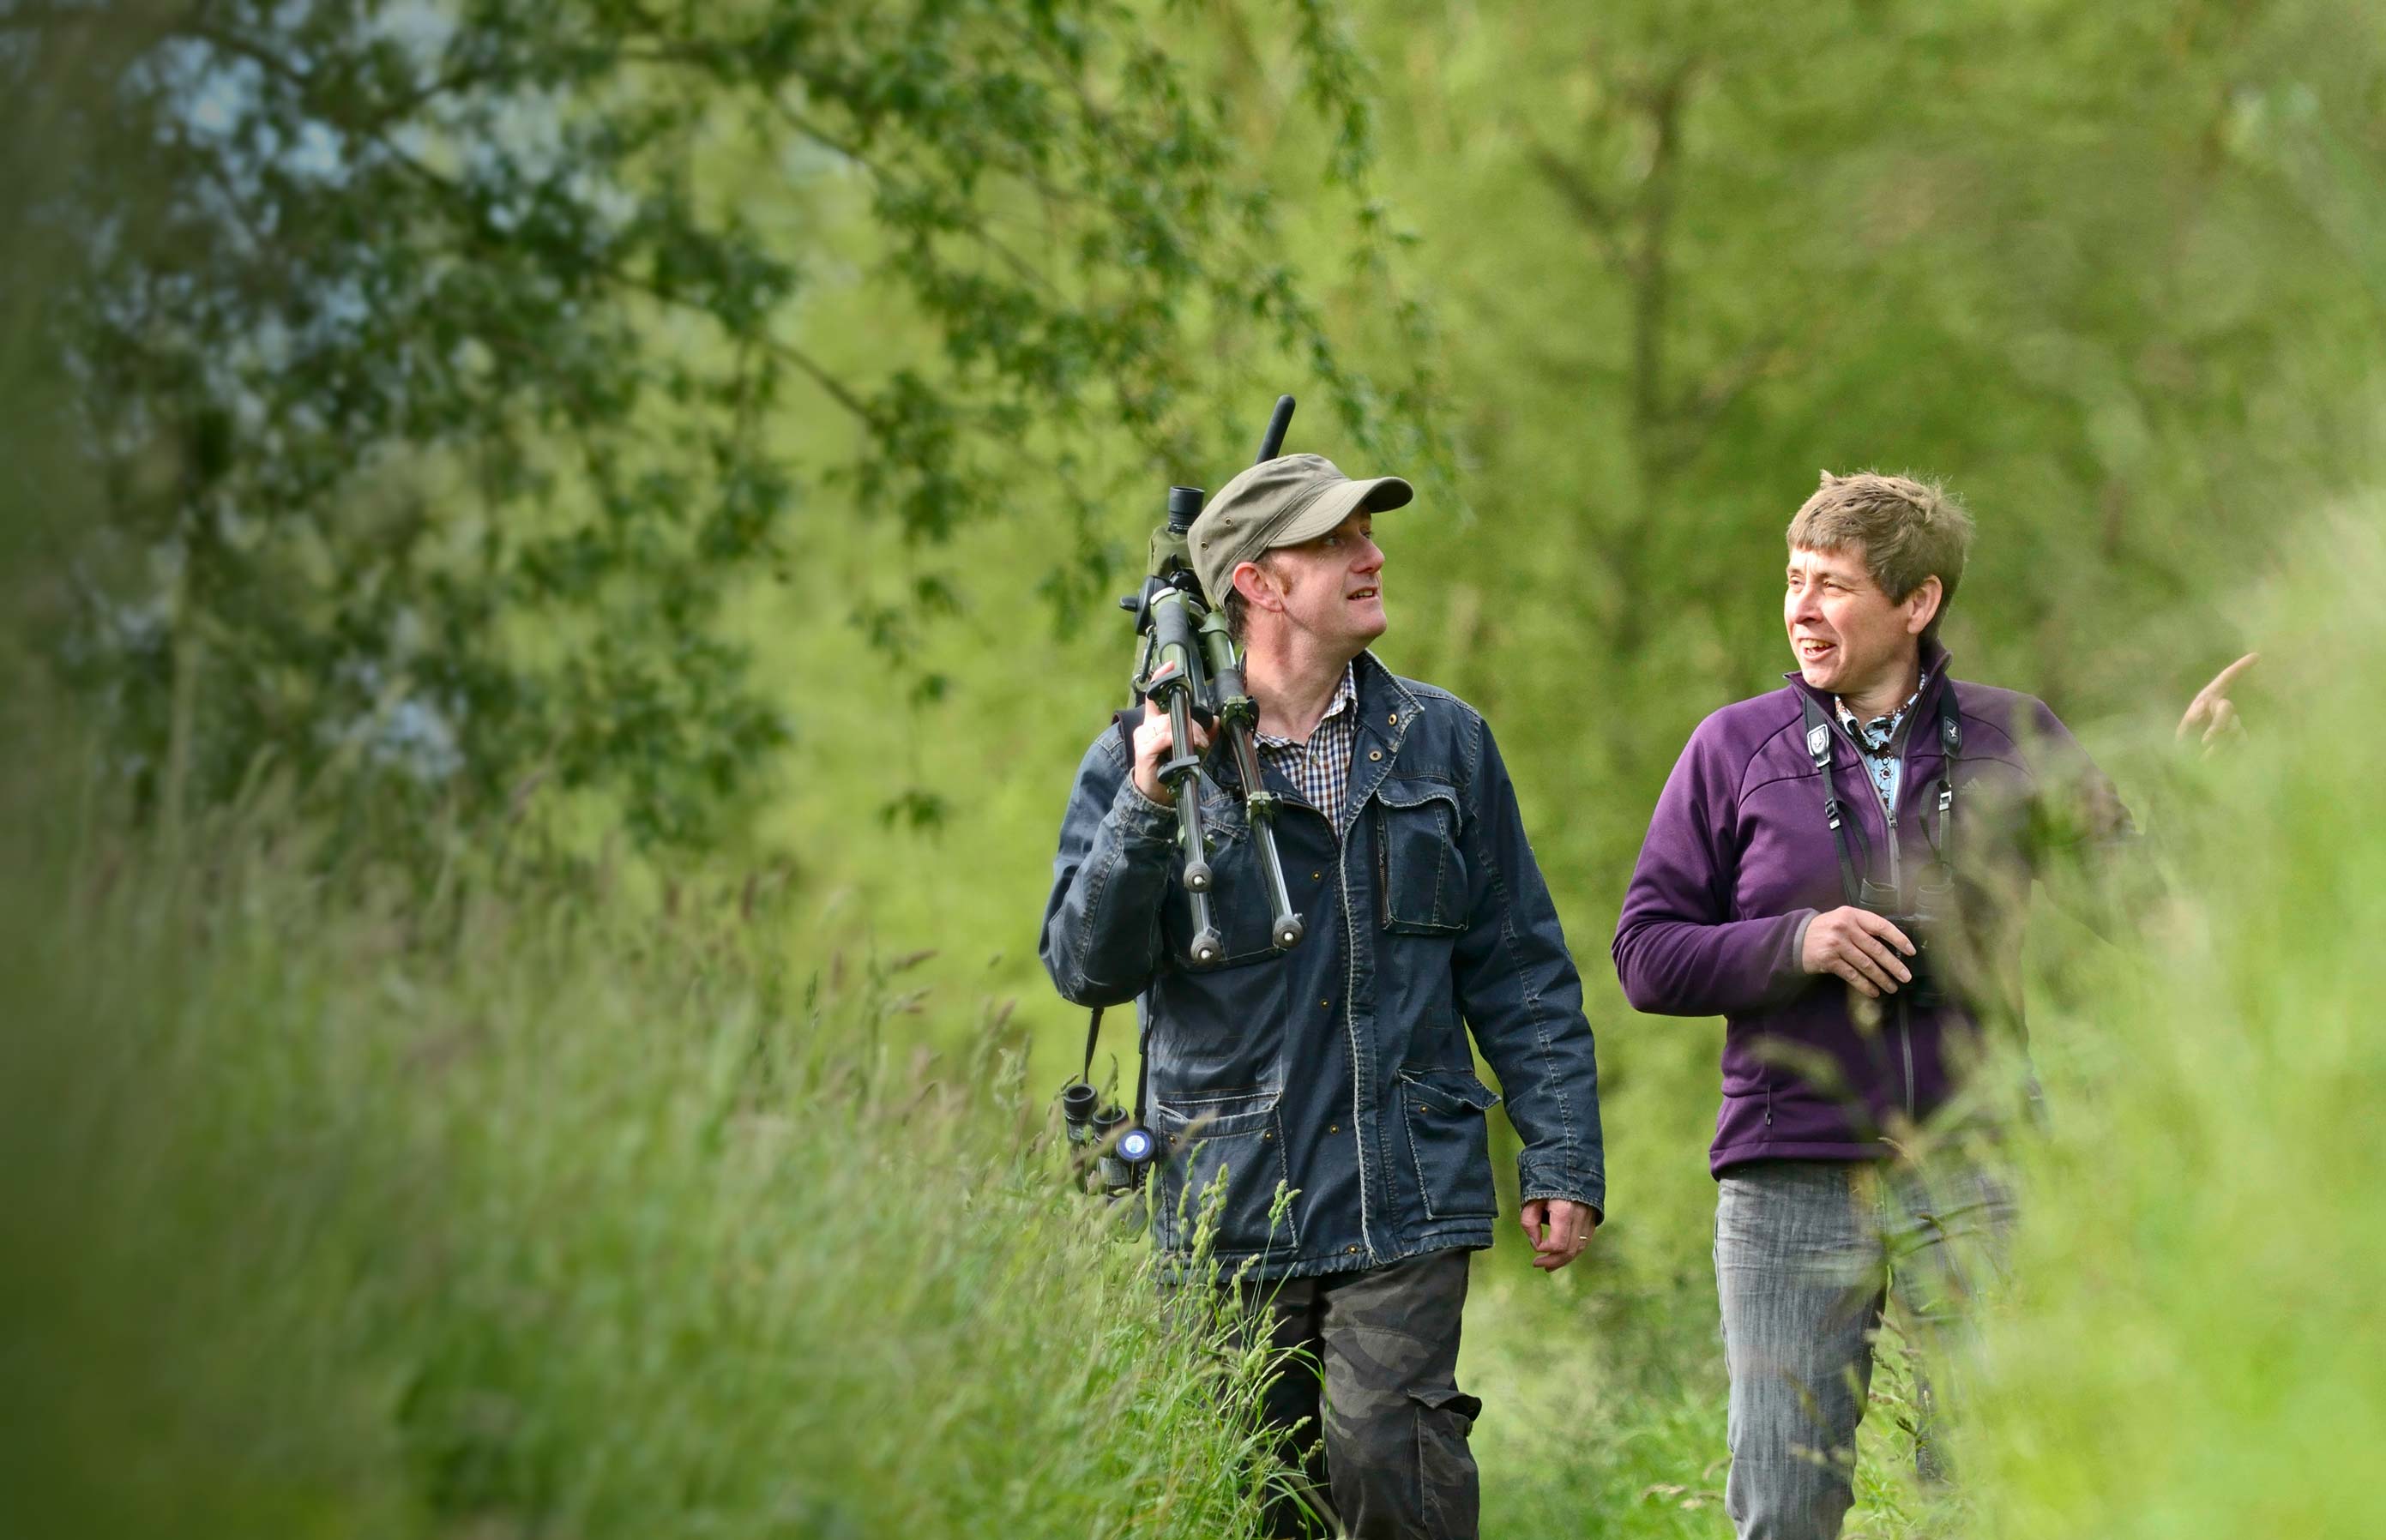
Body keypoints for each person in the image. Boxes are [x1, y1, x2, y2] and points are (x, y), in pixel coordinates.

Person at [1612, 471, 2253, 1540]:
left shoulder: (2013, 735)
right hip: (1786, 1177)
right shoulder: (1732, 748)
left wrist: (2206, 789)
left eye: (1834, 586)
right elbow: (1645, 953)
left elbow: (2151, 914)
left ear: (1918, 602)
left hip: (1981, 1164)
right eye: (1793, 581)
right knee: (1781, 1502)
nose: (1803, 610)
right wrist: (1794, 939)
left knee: (1989, 1489)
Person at [1041, 453, 1606, 1540]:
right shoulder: (1138, 758)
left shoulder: (1446, 740)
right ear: (1256, 581)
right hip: (1223, 1197)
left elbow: (1519, 964)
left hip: (1406, 1180)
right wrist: (1152, 805)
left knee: (1390, 1452)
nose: (1372, 554)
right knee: (1256, 1497)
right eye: (1338, 540)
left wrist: (1561, 1151)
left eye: (1368, 532)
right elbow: (1085, 967)